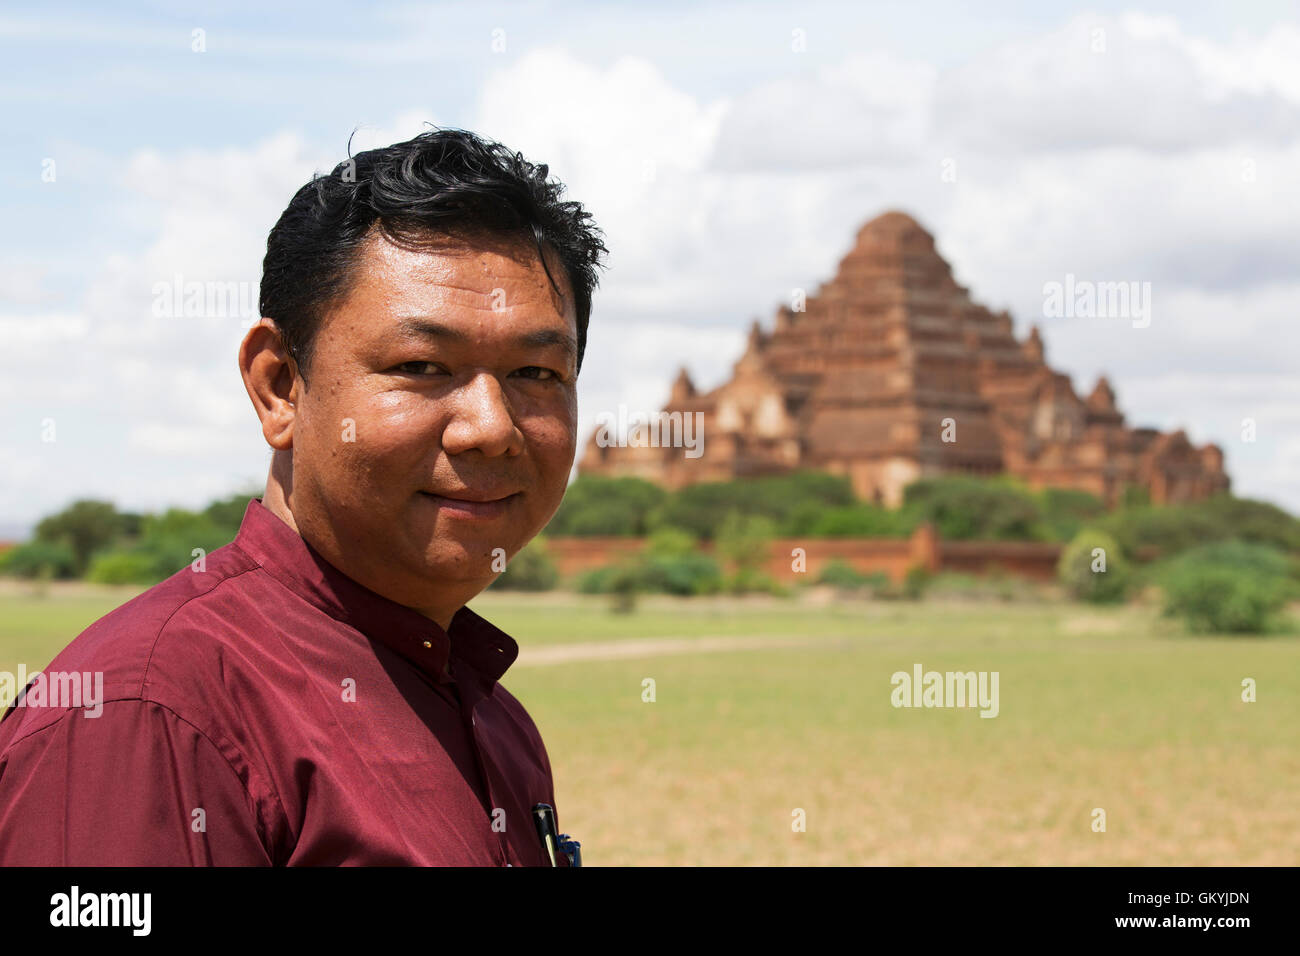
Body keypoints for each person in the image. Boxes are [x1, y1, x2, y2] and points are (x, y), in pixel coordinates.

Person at [0, 127, 607, 865]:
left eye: (538, 374)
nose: (492, 428)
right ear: (280, 386)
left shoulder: (492, 718)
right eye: (422, 364)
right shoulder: (148, 719)